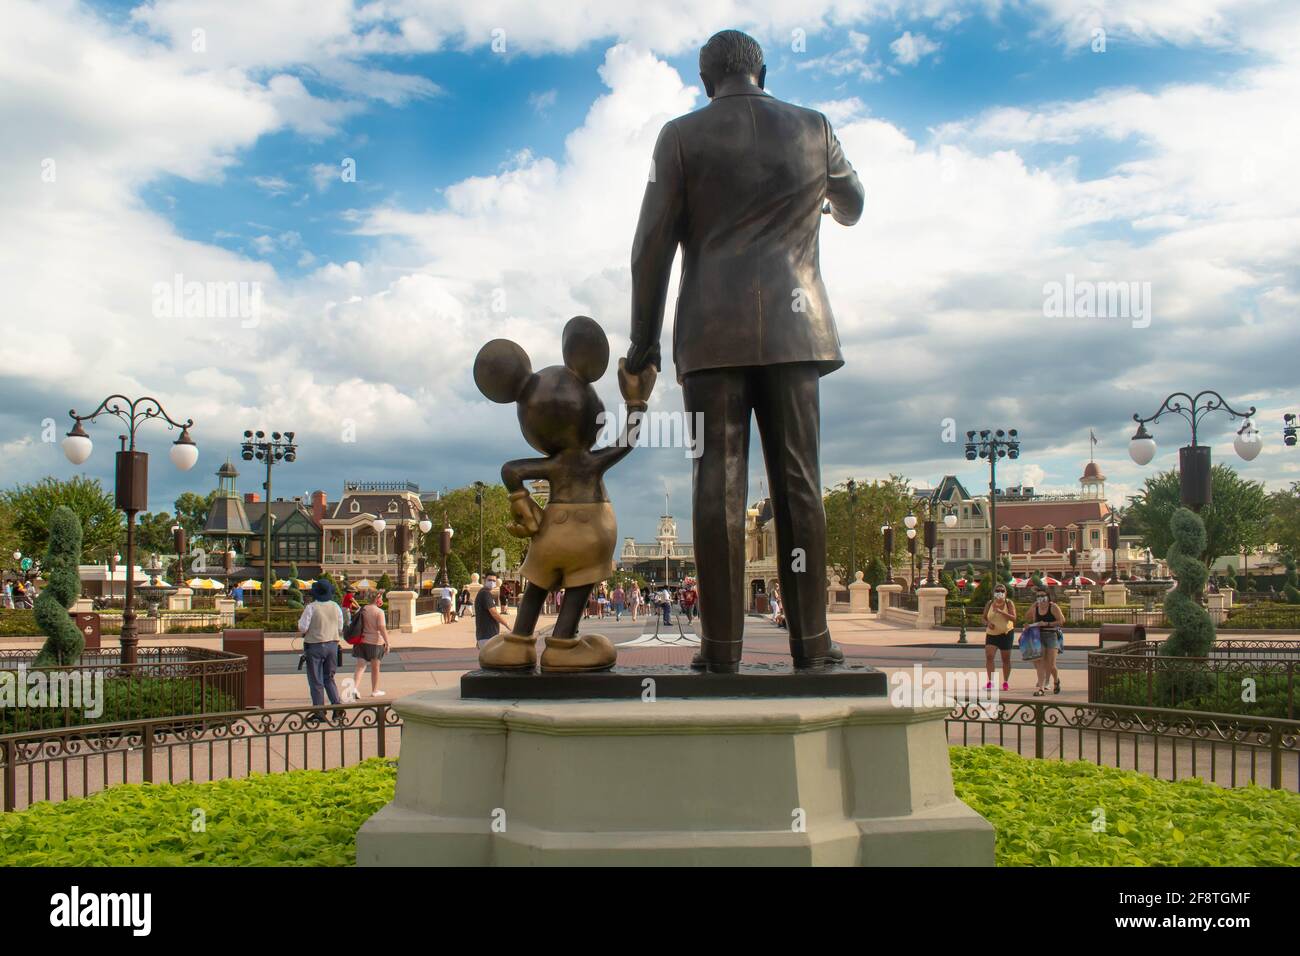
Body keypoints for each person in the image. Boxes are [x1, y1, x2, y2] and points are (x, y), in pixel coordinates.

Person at [625, 29, 864, 673]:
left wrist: (642, 343)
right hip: (798, 330)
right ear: (764, 69)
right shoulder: (814, 126)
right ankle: (812, 646)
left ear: (707, 82)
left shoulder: (680, 136)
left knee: (715, 484)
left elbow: (651, 248)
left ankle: (720, 651)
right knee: (800, 483)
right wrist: (822, 204)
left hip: (711, 335)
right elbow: (854, 202)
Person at [298, 579, 343, 720]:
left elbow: (303, 627)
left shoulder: (311, 607)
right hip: (332, 644)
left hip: (315, 644)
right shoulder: (335, 606)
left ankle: (319, 711)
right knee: (329, 677)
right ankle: (337, 708)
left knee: (316, 680)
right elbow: (340, 627)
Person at [351, 591, 391, 698]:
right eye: (381, 598)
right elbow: (382, 628)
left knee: (360, 666)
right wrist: (387, 642)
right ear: (377, 599)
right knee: (375, 668)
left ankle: (354, 688)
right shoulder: (379, 612)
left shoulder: (362, 610)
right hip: (375, 642)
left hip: (361, 641)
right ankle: (374, 690)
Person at [1029, 588, 1065, 696]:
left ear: (1048, 596)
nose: (1040, 598)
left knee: (1051, 664)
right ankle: (1041, 688)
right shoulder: (1036, 607)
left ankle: (1056, 680)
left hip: (1051, 635)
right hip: (1039, 636)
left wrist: (1047, 624)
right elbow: (1032, 620)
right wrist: (1031, 626)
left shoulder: (1053, 607)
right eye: (1038, 596)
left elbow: (1062, 621)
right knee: (1040, 662)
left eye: (1043, 595)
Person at [982, 584, 1016, 692]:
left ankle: (1005, 682)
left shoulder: (1008, 603)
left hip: (1006, 633)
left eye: (1002, 591)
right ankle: (990, 682)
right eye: (997, 591)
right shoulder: (990, 603)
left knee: (1005, 659)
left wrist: (1001, 612)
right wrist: (987, 623)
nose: (999, 592)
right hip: (992, 634)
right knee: (989, 656)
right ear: (994, 593)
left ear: (1005, 593)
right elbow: (983, 618)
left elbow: (1014, 618)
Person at [475, 573, 511, 647]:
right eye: (490, 580)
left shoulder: (483, 593)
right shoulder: (485, 594)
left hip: (486, 636)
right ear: (485, 580)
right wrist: (507, 624)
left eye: (494, 581)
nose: (492, 582)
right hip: (487, 636)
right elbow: (494, 612)